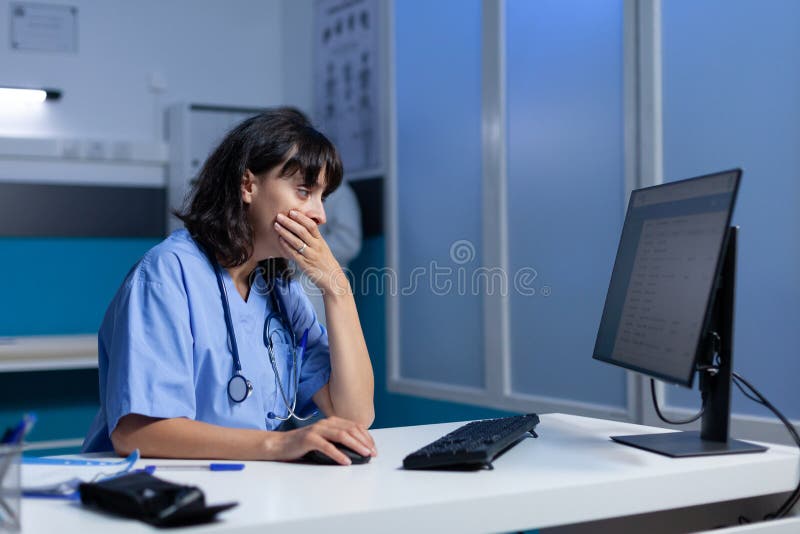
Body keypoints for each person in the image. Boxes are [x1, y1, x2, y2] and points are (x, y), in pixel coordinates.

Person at [82, 108, 376, 465]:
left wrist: (337, 290)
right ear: (248, 185)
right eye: (303, 191)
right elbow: (136, 432)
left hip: (248, 489)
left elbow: (355, 416)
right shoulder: (167, 274)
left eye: (322, 198)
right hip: (157, 495)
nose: (320, 215)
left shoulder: (281, 291)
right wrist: (280, 445)